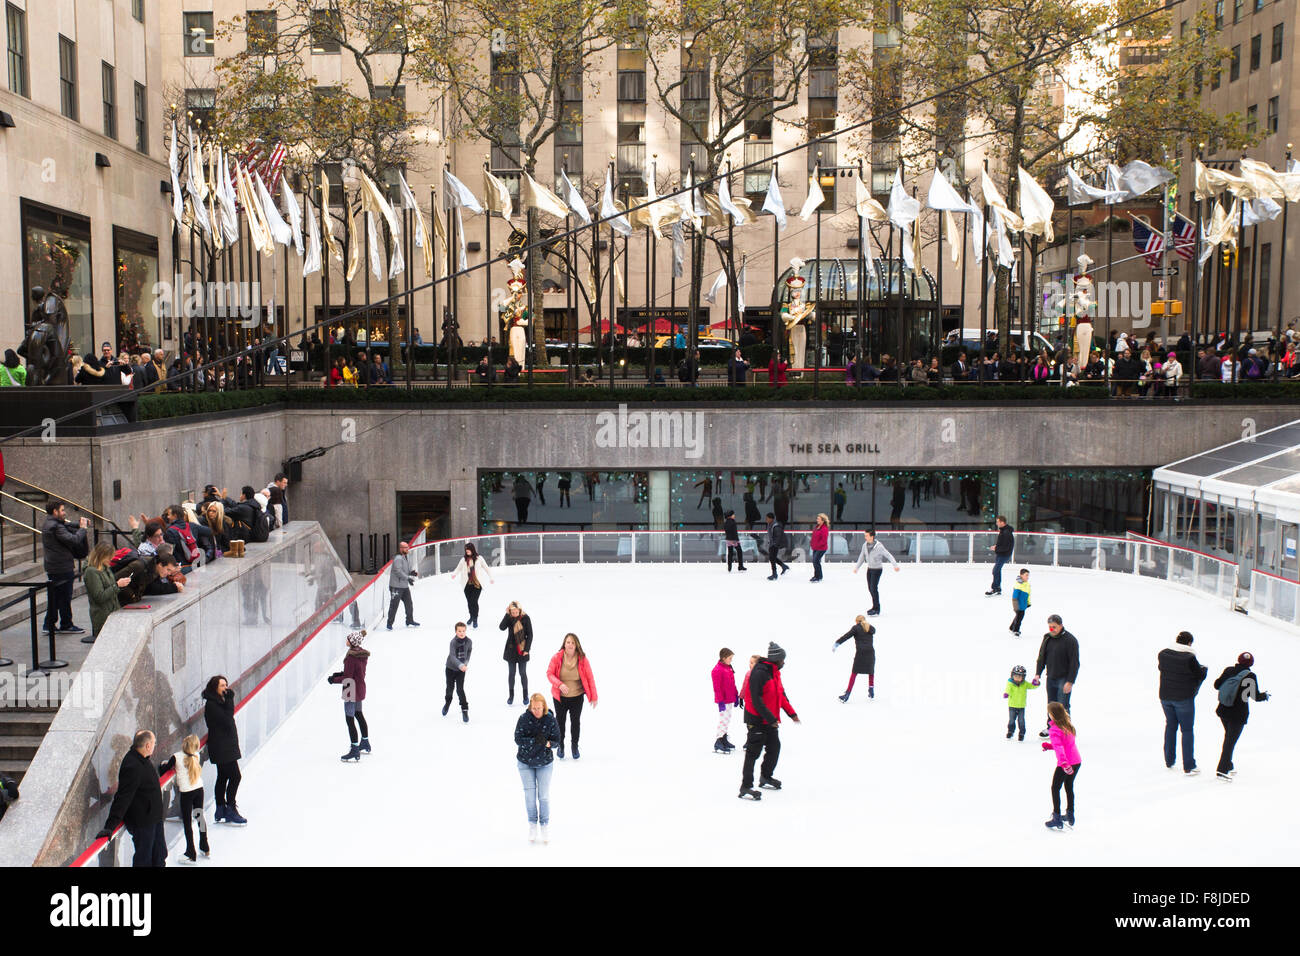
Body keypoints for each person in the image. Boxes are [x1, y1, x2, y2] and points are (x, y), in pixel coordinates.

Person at [94, 730, 166, 867]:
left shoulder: (142, 759)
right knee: (144, 860)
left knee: (160, 854)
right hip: (144, 823)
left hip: (154, 818)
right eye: (154, 743)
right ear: (148, 746)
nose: (155, 745)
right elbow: (123, 797)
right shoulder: (133, 765)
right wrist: (109, 826)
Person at [738, 642, 799, 800]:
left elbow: (781, 696)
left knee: (774, 748)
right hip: (757, 720)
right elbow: (756, 700)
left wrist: (792, 714)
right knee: (753, 753)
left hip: (770, 721)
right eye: (782, 660)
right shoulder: (759, 673)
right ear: (776, 660)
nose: (784, 663)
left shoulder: (775, 673)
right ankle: (746, 786)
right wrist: (770, 719)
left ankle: (765, 776)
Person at [1158, 630, 1208, 775]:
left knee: (1170, 726)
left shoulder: (1163, 654)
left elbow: (1162, 669)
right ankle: (1189, 765)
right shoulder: (1189, 658)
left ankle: (1169, 759)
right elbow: (1199, 675)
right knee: (1186, 730)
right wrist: (1204, 670)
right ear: (1189, 643)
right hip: (1183, 698)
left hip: (1165, 696)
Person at [1213, 651, 1269, 781]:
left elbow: (1216, 685)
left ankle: (1228, 764)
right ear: (1251, 663)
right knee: (1230, 742)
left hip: (1223, 711)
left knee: (1229, 738)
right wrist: (1264, 695)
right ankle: (1222, 770)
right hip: (1238, 714)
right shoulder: (1250, 676)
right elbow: (1254, 696)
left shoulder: (1228, 670)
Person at [514, 693, 561, 843]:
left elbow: (556, 741)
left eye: (539, 708)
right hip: (525, 762)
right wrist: (536, 741)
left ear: (544, 707)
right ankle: (532, 824)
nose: (536, 711)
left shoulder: (550, 720)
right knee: (529, 796)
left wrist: (547, 743)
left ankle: (544, 825)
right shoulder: (523, 719)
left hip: (545, 763)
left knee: (544, 796)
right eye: (534, 708)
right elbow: (518, 739)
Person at [158, 734, 209, 864]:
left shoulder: (176, 757)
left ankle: (190, 852)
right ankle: (204, 845)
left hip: (187, 793)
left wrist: (163, 764)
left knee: (187, 823)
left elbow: (164, 769)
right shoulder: (196, 755)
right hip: (199, 790)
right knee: (199, 817)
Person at [41, 500, 90, 637]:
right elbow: (73, 539)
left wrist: (79, 524)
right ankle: (65, 624)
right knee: (63, 597)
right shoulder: (56, 527)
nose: (64, 512)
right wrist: (83, 529)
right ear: (55, 512)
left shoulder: (50, 524)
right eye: (62, 510)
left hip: (55, 566)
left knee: (57, 597)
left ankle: (51, 624)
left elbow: (66, 525)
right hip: (61, 567)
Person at [546, 632, 598, 759]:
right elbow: (549, 674)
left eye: (572, 643)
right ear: (564, 643)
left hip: (577, 697)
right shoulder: (557, 657)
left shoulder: (582, 659)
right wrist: (559, 684)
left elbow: (590, 678)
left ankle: (574, 746)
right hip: (560, 698)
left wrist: (594, 696)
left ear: (576, 645)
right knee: (560, 722)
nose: (570, 645)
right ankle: (560, 746)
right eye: (568, 642)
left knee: (575, 722)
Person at [203, 675, 246, 825]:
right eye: (222, 685)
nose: (225, 688)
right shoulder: (212, 705)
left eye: (226, 685)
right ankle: (230, 809)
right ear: (215, 687)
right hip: (222, 748)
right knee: (235, 776)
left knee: (222, 776)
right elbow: (227, 720)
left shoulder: (217, 702)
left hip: (224, 746)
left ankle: (221, 808)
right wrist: (230, 700)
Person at [1034, 614, 1080, 737]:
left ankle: (1065, 730)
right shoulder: (1047, 638)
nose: (1051, 629)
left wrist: (1070, 681)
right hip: (1051, 677)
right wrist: (1038, 673)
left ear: (1061, 625)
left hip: (1064, 679)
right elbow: (1041, 657)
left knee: (1062, 705)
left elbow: (1075, 663)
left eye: (1054, 627)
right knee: (1051, 705)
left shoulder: (1070, 640)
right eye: (1049, 627)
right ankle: (1051, 728)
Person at [332, 629, 372, 760]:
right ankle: (365, 742)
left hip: (350, 690)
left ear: (352, 642)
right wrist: (338, 674)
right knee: (359, 714)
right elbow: (353, 673)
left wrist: (333, 680)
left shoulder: (351, 657)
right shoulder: (361, 655)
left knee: (350, 719)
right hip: (360, 688)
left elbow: (348, 678)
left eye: (348, 639)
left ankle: (354, 749)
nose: (346, 640)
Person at [1042, 702, 1081, 831]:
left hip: (1066, 762)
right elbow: (1063, 744)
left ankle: (1057, 817)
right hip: (1076, 761)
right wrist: (1049, 746)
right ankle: (1070, 814)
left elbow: (1060, 748)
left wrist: (1064, 764)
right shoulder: (1067, 726)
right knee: (1069, 786)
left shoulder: (1054, 729)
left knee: (1055, 788)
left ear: (1053, 715)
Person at [83, 543, 131, 642]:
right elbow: (99, 597)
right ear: (101, 556)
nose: (111, 559)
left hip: (113, 612)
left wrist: (120, 585)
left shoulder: (105, 568)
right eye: (109, 557)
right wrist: (117, 585)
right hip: (102, 615)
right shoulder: (91, 572)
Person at [852, 529, 899, 616]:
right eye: (865, 535)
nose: (865, 537)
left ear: (872, 536)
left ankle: (877, 609)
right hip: (869, 569)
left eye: (866, 535)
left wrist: (895, 565)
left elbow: (888, 555)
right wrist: (857, 567)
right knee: (870, 588)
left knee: (873, 588)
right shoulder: (864, 545)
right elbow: (862, 557)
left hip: (877, 570)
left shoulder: (879, 546)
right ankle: (874, 606)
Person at [833, 615, 876, 702]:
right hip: (871, 653)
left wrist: (837, 643)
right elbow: (874, 630)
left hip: (860, 653)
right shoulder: (870, 628)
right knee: (870, 671)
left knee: (854, 673)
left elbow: (846, 636)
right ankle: (871, 691)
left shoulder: (856, 628)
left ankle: (847, 694)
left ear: (857, 621)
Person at [451, 542, 493, 627]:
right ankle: (471, 616)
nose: (467, 551)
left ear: (472, 549)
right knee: (469, 602)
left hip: (477, 584)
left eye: (468, 549)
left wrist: (491, 577)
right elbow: (458, 568)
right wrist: (454, 574)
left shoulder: (479, 558)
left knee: (474, 601)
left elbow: (486, 568)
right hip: (467, 584)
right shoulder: (463, 559)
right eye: (466, 549)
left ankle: (475, 619)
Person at [500, 600, 533, 705]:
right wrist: (506, 615)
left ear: (520, 610)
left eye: (516, 612)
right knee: (511, 673)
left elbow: (530, 635)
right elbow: (501, 628)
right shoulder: (509, 618)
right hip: (511, 650)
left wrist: (527, 650)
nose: (514, 614)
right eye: (512, 612)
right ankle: (511, 696)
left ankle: (525, 695)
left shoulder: (526, 618)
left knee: (522, 673)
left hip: (522, 650)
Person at [385, 540, 420, 630]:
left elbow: (404, 570)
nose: (408, 549)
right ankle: (389, 623)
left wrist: (412, 573)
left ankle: (409, 620)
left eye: (408, 547)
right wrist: (408, 578)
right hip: (396, 586)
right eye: (406, 547)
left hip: (404, 586)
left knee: (409, 603)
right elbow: (398, 571)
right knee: (394, 605)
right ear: (401, 549)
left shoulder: (404, 557)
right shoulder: (398, 558)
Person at [711, 648, 741, 754]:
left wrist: (736, 696)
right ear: (723, 658)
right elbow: (717, 688)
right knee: (723, 720)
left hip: (730, 699)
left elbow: (732, 684)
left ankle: (723, 738)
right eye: (730, 658)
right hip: (724, 700)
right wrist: (720, 702)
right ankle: (718, 741)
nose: (731, 660)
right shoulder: (717, 670)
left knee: (727, 720)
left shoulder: (728, 668)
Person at [442, 622, 473, 722]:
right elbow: (452, 656)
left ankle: (464, 709)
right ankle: (447, 703)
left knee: (460, 689)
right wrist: (460, 665)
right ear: (456, 631)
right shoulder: (453, 642)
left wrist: (465, 663)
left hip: (461, 670)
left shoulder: (469, 641)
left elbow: (469, 652)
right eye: (459, 631)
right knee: (450, 688)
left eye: (463, 631)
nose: (461, 633)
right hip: (451, 668)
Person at [1003, 664, 1039, 740]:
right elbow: (1007, 689)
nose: (1017, 678)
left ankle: (1022, 733)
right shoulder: (1010, 683)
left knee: (1021, 721)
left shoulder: (1024, 684)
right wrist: (1006, 693)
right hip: (1012, 706)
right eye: (1015, 676)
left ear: (1023, 677)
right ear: (1012, 675)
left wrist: (1036, 683)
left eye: (1019, 677)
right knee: (1012, 720)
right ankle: (1010, 731)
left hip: (1021, 706)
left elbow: (1032, 686)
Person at [986, 515, 1015, 595]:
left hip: (1004, 554)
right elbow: (1003, 544)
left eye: (997, 522)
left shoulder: (1006, 532)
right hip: (1001, 553)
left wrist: (996, 549)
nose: (996, 523)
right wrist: (996, 546)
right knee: (997, 570)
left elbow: (1006, 547)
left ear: (1002, 522)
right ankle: (997, 588)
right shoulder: (1004, 531)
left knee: (995, 570)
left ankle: (995, 588)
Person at [764, 512, 789, 580]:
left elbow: (778, 536)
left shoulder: (775, 526)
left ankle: (774, 574)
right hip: (772, 543)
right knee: (772, 558)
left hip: (775, 544)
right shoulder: (770, 524)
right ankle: (783, 566)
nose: (766, 519)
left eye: (767, 518)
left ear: (771, 519)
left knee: (772, 558)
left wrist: (775, 544)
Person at [1009, 568, 1031, 636]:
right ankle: (1015, 630)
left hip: (1023, 605)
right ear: (1021, 575)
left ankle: (1011, 627)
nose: (1028, 577)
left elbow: (1028, 595)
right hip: (1018, 606)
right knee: (1019, 618)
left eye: (1028, 575)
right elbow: (1014, 597)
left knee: (1018, 617)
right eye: (1026, 575)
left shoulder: (1027, 584)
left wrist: (1028, 603)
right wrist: (1016, 607)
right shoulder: (1018, 585)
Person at [809, 512, 830, 582]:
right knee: (815, 561)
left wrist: (816, 545)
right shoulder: (817, 527)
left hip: (821, 548)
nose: (817, 520)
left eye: (818, 519)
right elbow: (814, 537)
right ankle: (817, 575)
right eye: (817, 518)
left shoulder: (824, 528)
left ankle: (818, 576)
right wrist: (812, 543)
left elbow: (824, 540)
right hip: (815, 548)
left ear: (822, 520)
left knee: (816, 561)